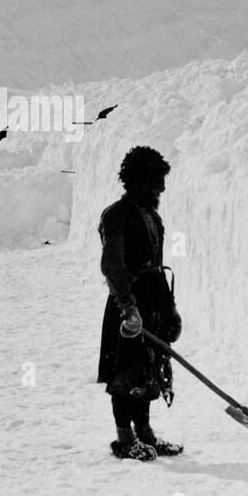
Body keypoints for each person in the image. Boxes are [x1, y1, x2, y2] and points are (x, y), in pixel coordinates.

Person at [96, 145, 183, 461]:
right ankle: (124, 438)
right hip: (128, 305)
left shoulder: (153, 217)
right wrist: (129, 309)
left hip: (153, 301)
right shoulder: (115, 216)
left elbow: (157, 266)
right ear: (139, 180)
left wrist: (169, 309)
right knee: (126, 373)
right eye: (156, 180)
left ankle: (145, 433)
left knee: (148, 369)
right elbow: (113, 266)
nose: (161, 188)